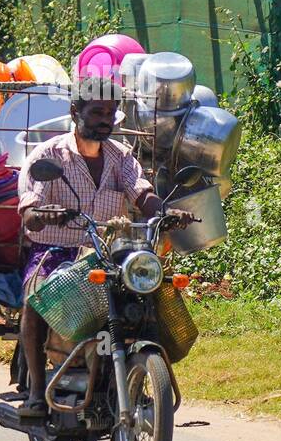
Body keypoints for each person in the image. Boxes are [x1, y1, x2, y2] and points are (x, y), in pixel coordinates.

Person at [15, 76, 193, 419]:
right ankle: (37, 393)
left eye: (110, 113)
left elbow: (142, 193)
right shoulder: (48, 155)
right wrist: (40, 215)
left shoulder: (121, 156)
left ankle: (138, 376)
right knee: (35, 300)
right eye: (97, 111)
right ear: (74, 111)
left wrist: (165, 212)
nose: (104, 120)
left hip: (108, 253)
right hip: (57, 253)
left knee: (151, 297)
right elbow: (29, 210)